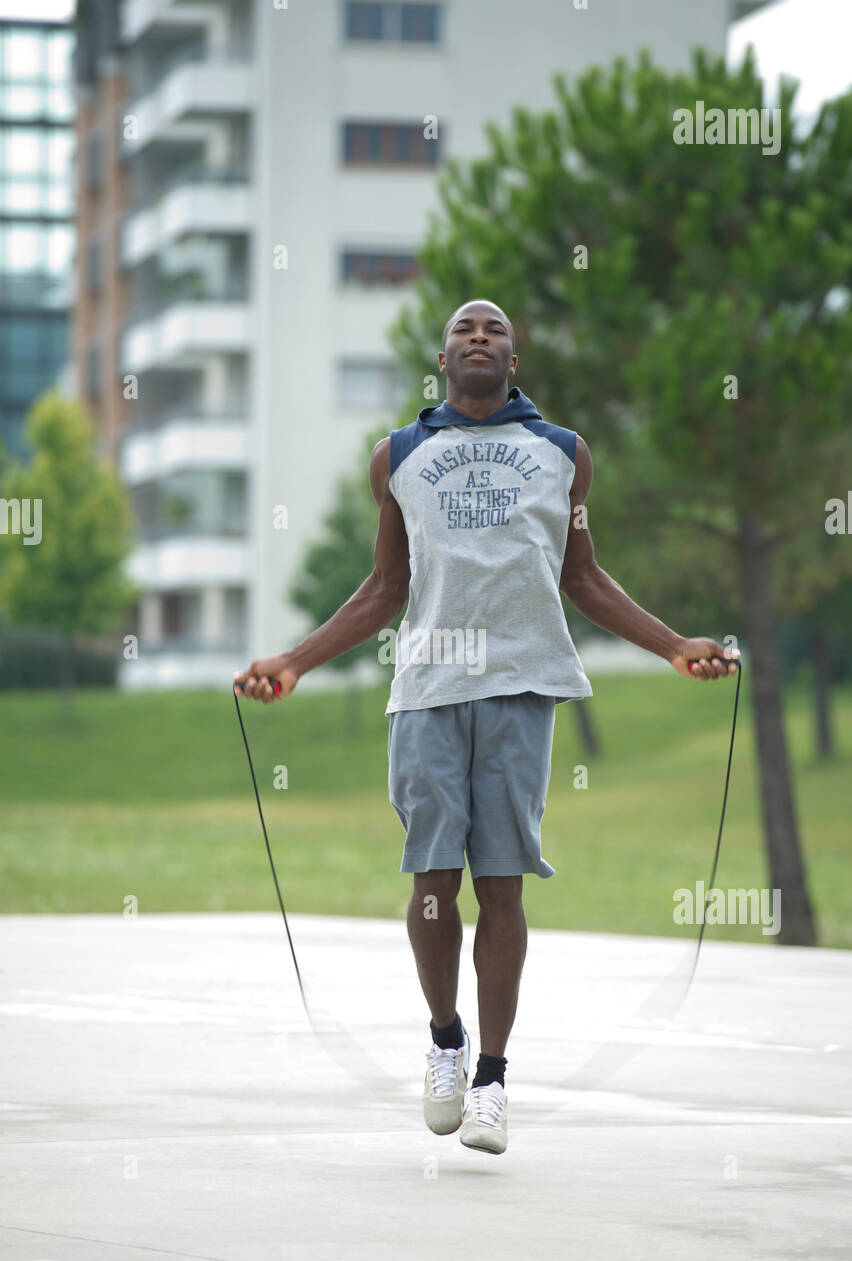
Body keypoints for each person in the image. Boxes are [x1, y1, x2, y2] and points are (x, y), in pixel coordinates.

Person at [234, 299, 739, 1156]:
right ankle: (443, 1041)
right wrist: (294, 660)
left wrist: (670, 646)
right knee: (433, 881)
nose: (478, 336)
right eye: (464, 329)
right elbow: (382, 588)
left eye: (494, 330)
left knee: (500, 884)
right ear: (442, 358)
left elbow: (583, 577)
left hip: (520, 685)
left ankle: (494, 1080)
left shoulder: (562, 455)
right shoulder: (398, 456)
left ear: (514, 358)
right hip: (427, 689)